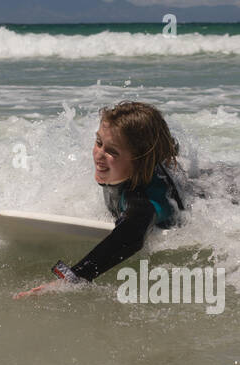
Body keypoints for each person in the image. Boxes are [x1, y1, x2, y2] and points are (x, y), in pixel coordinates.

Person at [14, 101, 192, 298]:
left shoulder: (141, 197)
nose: (99, 155)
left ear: (139, 161)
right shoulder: (124, 171)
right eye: (99, 142)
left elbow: (132, 233)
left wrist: (73, 277)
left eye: (112, 152)